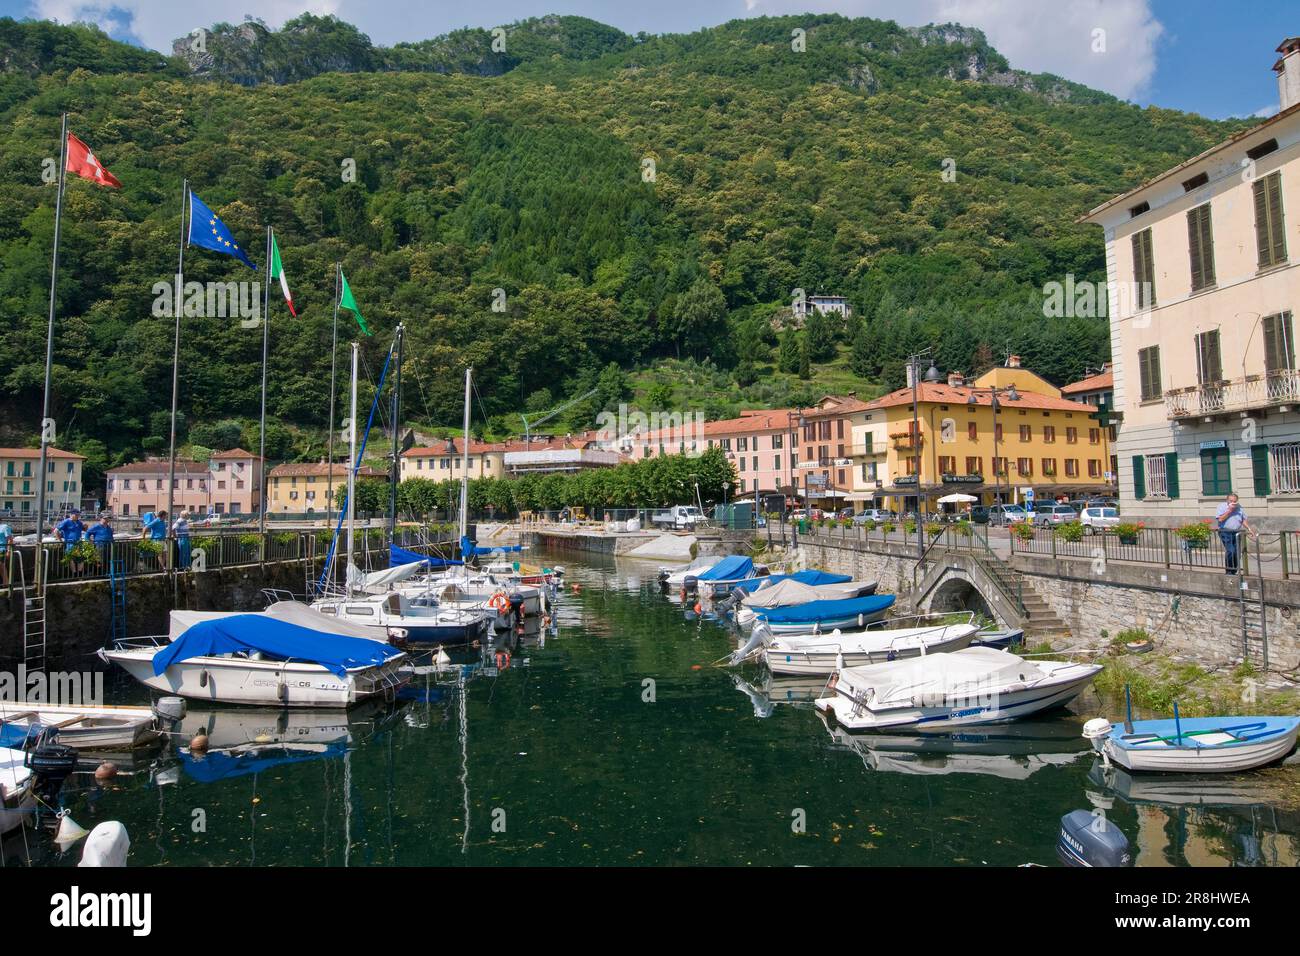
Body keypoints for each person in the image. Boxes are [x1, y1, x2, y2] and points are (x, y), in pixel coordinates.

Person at [1215, 493, 1256, 575]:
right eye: (1231, 501)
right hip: (1225, 531)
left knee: (1237, 552)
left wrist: (1249, 529)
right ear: (1227, 500)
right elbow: (1220, 519)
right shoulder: (1221, 506)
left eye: (1235, 501)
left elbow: (1243, 520)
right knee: (1231, 551)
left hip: (1237, 532)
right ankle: (1229, 570)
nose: (1233, 503)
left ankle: (1234, 570)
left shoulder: (1239, 507)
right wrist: (1229, 511)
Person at [0, 520, 12, 585]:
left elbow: (10, 539)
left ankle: (6, 584)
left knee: (1, 566)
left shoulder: (5, 527)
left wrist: (8, 551)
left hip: (2, 549)